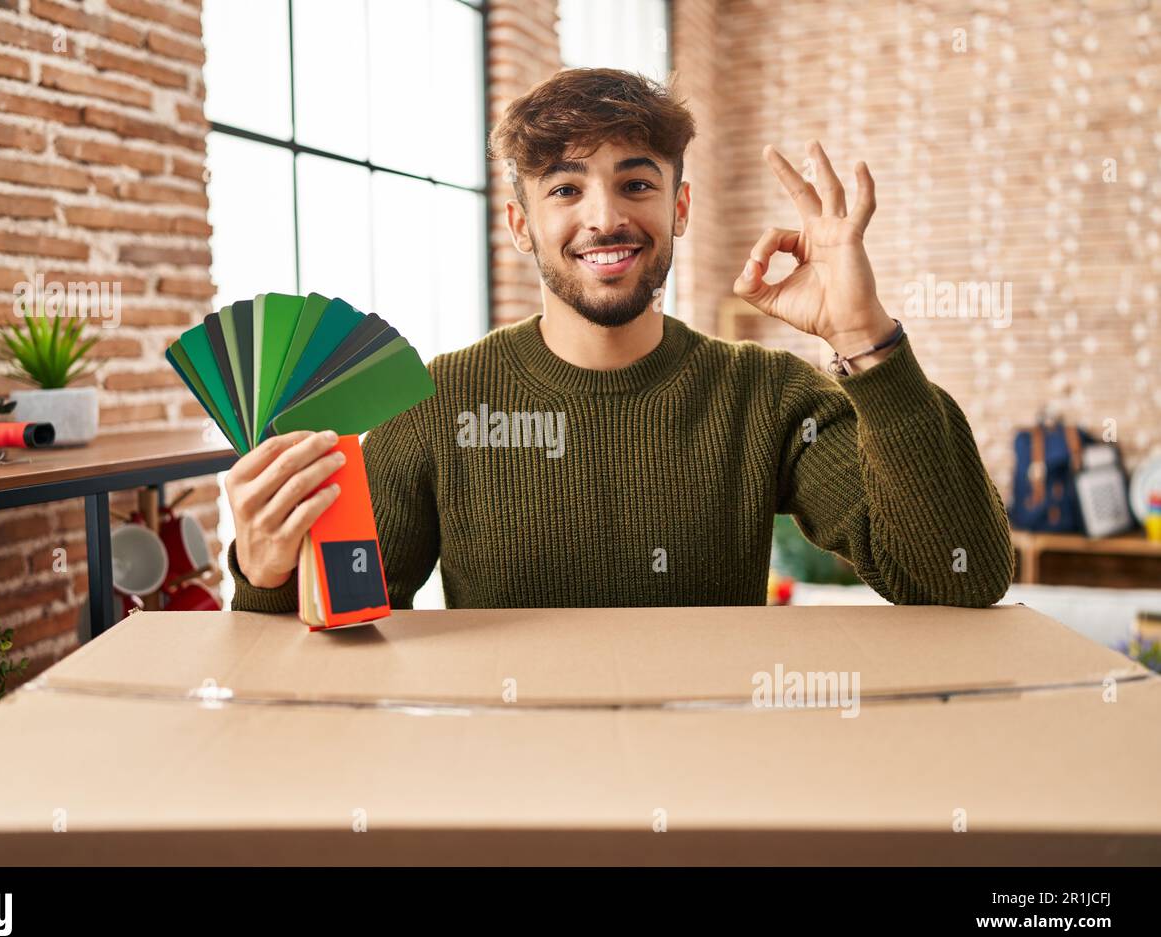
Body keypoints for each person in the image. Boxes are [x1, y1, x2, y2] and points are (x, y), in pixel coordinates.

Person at [224, 67, 1013, 614]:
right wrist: (262, 573)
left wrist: (865, 337)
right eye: (566, 188)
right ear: (521, 224)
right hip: (509, 806)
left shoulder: (769, 399)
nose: (604, 217)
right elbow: (333, 629)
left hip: (707, 800)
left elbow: (964, 577)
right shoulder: (439, 404)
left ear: (680, 207)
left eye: (636, 183)